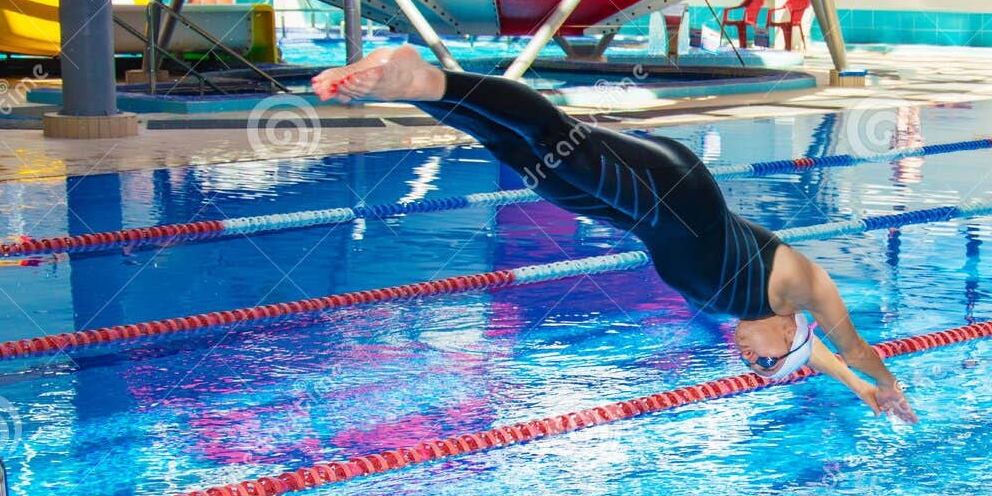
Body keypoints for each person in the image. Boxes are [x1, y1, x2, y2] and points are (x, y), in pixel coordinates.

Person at [311, 46, 915, 422]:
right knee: (558, 143)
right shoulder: (800, 285)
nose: (746, 362)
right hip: (679, 192)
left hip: (635, 217)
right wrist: (887, 384)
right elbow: (851, 350)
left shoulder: (777, 327)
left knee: (529, 162)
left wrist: (859, 395)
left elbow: (819, 359)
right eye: (763, 365)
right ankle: (425, 79)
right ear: (789, 329)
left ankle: (419, 92)